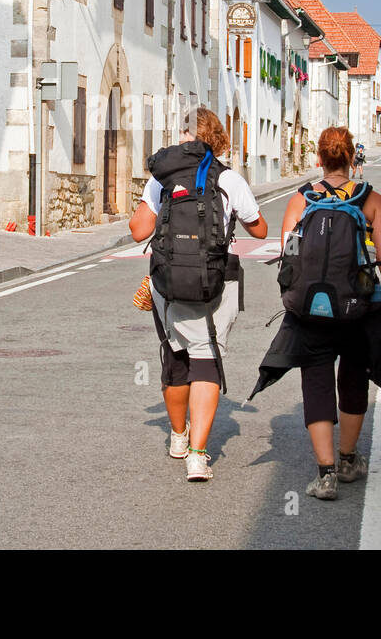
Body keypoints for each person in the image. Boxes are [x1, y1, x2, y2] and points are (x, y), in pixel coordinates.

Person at [249, 126, 381, 501]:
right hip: (358, 309)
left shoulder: (300, 200)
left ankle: (325, 476)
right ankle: (349, 460)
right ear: (353, 159)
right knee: (353, 379)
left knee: (317, 382)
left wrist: (295, 299)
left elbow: (289, 258)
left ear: (319, 160)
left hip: (312, 311)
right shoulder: (372, 200)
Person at [129, 106, 268, 482]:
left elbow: (138, 231)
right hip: (214, 282)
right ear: (217, 138)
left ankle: (177, 436)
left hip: (168, 281)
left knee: (176, 359)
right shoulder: (229, 179)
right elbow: (259, 230)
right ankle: (198, 455)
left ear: (184, 137)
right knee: (206, 360)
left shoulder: (161, 180)